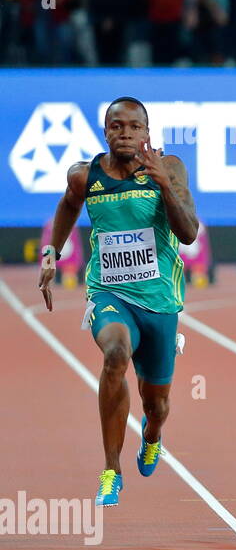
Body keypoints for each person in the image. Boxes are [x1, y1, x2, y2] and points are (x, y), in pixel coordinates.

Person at [38, 96, 199, 506]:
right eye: (116, 126)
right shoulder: (85, 176)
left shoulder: (171, 167)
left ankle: (152, 434)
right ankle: (111, 469)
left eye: (133, 127)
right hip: (110, 293)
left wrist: (163, 183)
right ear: (105, 131)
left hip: (160, 302)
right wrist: (51, 254)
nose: (124, 133)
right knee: (115, 353)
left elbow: (189, 234)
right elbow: (68, 206)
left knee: (157, 403)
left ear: (147, 133)